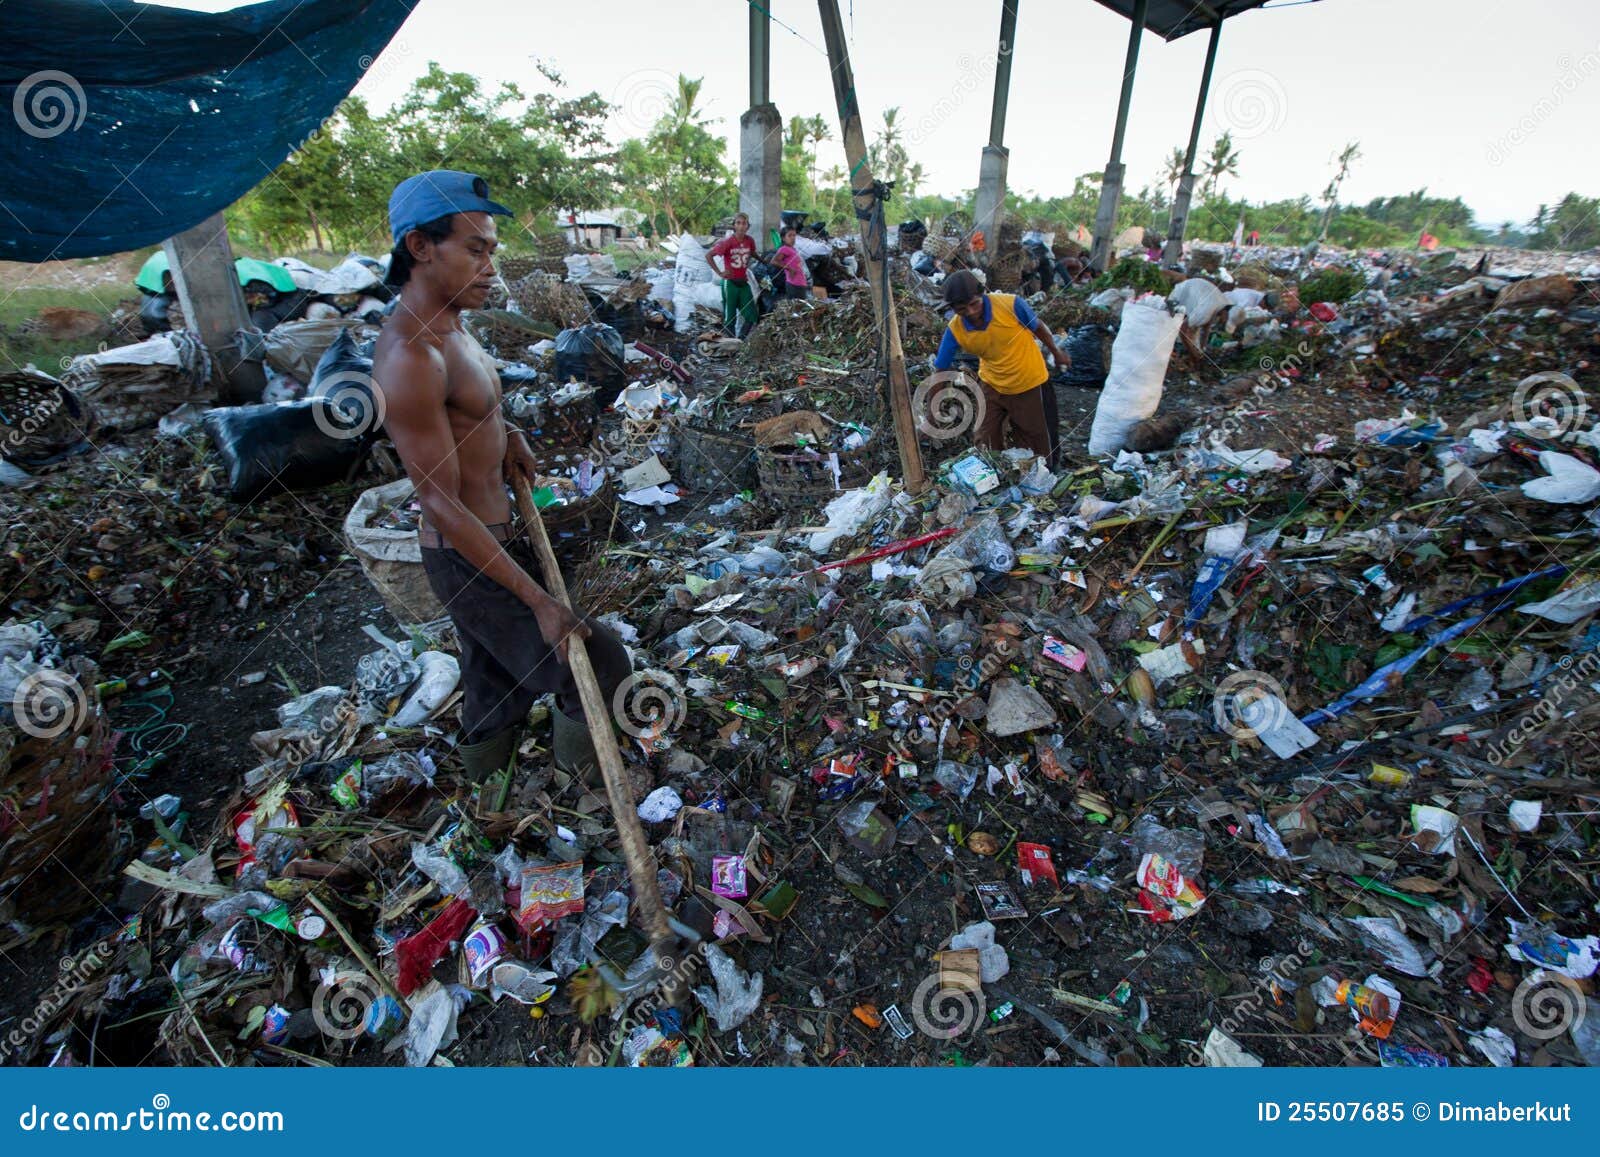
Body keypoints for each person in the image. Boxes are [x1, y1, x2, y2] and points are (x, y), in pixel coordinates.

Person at [372, 170, 633, 786]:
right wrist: (538, 599)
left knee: (492, 676)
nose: (491, 268)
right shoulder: (410, 356)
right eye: (475, 250)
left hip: (493, 533)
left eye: (493, 251)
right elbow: (438, 500)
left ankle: (488, 783)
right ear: (420, 247)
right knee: (593, 660)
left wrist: (505, 433)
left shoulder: (453, 323)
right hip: (466, 556)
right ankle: (585, 791)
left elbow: (474, 408)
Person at [932, 270, 1070, 468]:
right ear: (953, 309)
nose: (970, 312)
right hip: (992, 383)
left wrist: (1056, 353)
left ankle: (1042, 475)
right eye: (962, 309)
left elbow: (1038, 327)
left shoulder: (1010, 304)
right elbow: (941, 368)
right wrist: (932, 413)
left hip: (1028, 381)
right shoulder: (955, 329)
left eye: (974, 304)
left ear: (982, 295)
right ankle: (995, 474)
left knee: (1034, 437)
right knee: (984, 437)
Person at [706, 212, 759, 335]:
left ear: (748, 226)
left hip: (743, 283)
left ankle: (740, 340)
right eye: (738, 223)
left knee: (751, 314)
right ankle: (731, 345)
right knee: (730, 317)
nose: (741, 226)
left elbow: (752, 252)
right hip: (730, 283)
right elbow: (709, 255)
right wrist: (719, 272)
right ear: (734, 225)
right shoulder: (728, 242)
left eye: (744, 223)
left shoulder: (749, 240)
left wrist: (764, 261)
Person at [773, 226, 810, 300]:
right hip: (794, 284)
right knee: (797, 308)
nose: (793, 238)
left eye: (794, 235)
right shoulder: (784, 249)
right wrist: (789, 268)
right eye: (789, 235)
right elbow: (774, 261)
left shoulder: (792, 249)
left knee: (801, 308)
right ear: (783, 238)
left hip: (800, 284)